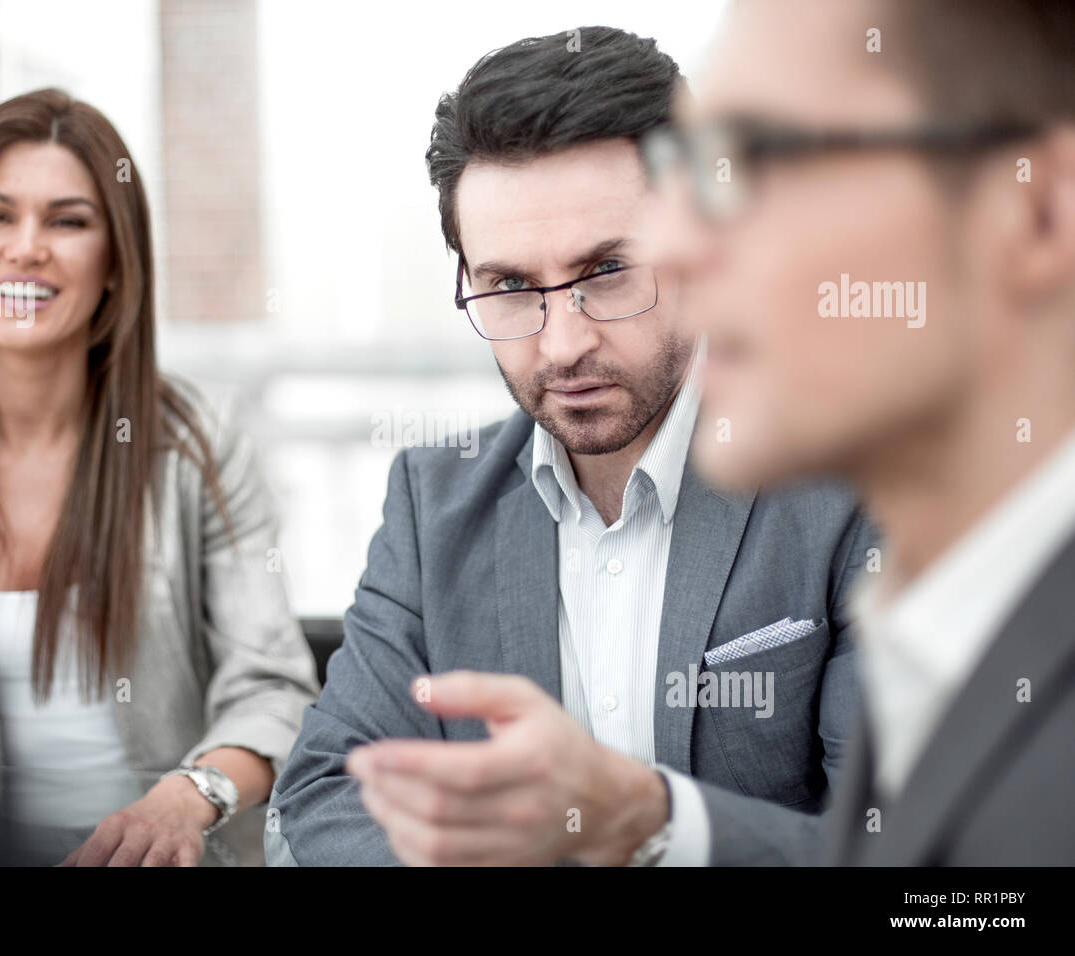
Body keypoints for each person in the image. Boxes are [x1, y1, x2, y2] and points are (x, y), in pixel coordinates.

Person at [267, 27, 876, 866]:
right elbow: (327, 789)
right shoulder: (431, 500)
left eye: (605, 273)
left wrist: (653, 821)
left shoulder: (848, 485)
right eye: (511, 287)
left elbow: (916, 855)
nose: (560, 345)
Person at [0, 88, 320, 866]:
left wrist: (182, 802)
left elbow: (272, 688)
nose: (26, 247)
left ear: (117, 265)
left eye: (68, 221)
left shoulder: (198, 440)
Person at [644, 0, 1075, 864]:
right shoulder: (943, 625)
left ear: (1035, 214)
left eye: (750, 158)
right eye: (684, 168)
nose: (666, 244)